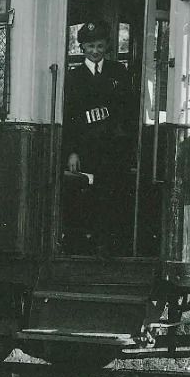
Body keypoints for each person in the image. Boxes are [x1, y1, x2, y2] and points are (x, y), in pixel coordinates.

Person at [62, 19, 131, 253]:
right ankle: (86, 244)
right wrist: (71, 151)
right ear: (82, 48)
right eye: (90, 46)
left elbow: (126, 109)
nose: (95, 51)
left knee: (113, 195)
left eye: (99, 46)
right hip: (86, 149)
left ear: (107, 47)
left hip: (114, 148)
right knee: (88, 197)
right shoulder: (74, 77)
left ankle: (109, 245)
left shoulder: (118, 72)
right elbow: (70, 116)